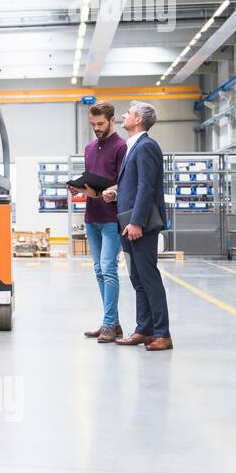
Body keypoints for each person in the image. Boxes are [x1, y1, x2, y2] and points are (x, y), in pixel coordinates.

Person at [103, 101, 173, 352]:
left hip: (138, 224)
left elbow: (147, 187)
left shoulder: (146, 146)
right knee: (137, 278)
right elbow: (135, 185)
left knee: (149, 277)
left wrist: (136, 222)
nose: (123, 115)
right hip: (128, 222)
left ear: (139, 120)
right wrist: (117, 192)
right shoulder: (134, 146)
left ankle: (162, 334)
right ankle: (144, 330)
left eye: (128, 113)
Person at [75, 102, 127, 343]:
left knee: (108, 269)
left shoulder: (121, 146)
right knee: (98, 270)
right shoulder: (89, 148)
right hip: (91, 216)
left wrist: (112, 191)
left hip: (111, 218)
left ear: (111, 121)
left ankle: (108, 323)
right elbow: (91, 180)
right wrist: (81, 188)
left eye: (100, 124)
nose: (96, 128)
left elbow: (124, 182)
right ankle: (112, 323)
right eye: (93, 124)